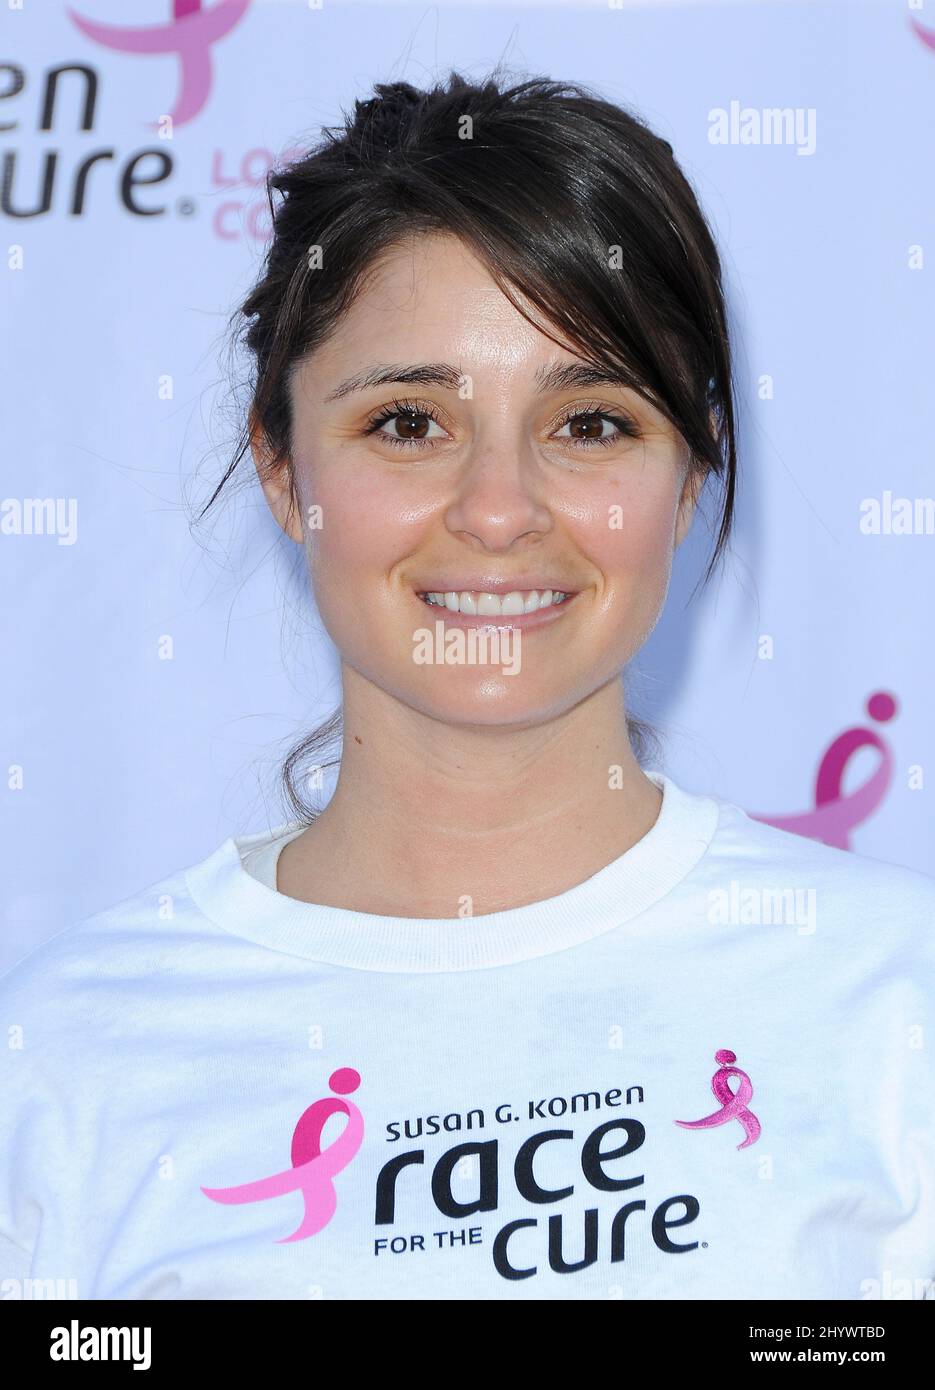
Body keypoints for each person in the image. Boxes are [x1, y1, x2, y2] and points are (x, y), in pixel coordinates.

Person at [2, 72, 933, 1302]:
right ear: (282, 471)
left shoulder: (893, 997)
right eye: (406, 422)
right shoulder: (64, 1056)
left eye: (590, 423)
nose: (498, 512)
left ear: (691, 472)